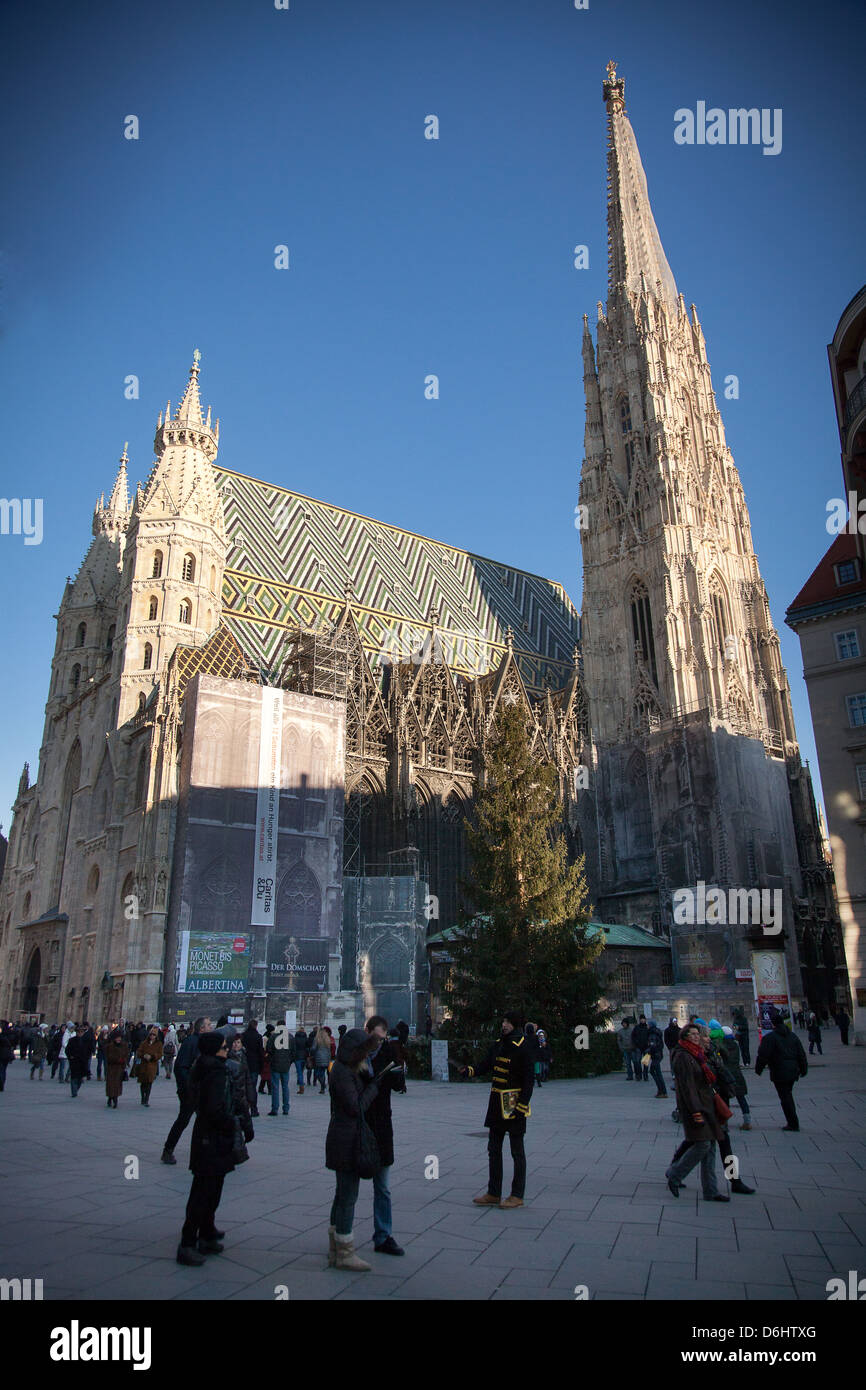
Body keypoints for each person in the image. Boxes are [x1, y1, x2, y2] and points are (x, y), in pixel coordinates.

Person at [177, 1032, 248, 1266]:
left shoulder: (205, 1068)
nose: (227, 1050)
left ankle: (206, 1232)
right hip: (212, 1138)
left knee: (212, 1187)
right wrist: (232, 1124)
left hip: (209, 1137)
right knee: (203, 1191)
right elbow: (214, 1108)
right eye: (224, 1047)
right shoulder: (215, 1071)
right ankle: (188, 1243)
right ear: (215, 1050)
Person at [325, 1027, 386, 1271]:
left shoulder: (345, 1069)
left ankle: (336, 1248)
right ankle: (345, 1252)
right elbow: (355, 1106)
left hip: (345, 1135)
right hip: (347, 1138)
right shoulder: (343, 1072)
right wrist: (375, 1087)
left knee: (342, 1194)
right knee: (348, 1196)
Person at [462, 1011, 534, 1210]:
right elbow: (486, 1064)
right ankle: (493, 1193)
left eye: (507, 1022)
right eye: (503, 1021)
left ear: (516, 1025)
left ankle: (517, 1194)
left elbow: (529, 1082)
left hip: (513, 1104)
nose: (503, 1025)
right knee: (493, 1150)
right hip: (496, 1103)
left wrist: (522, 1105)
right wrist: (471, 1070)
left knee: (516, 1151)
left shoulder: (523, 1046)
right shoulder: (499, 1043)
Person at [665, 1023, 728, 1201]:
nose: (696, 1037)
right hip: (696, 1107)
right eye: (691, 1034)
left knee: (711, 1147)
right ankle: (675, 1175)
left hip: (707, 1105)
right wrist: (695, 1110)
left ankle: (711, 1190)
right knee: (703, 1145)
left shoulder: (698, 1054)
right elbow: (687, 1087)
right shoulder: (683, 1056)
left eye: (697, 1034)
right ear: (684, 1037)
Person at [363, 1015, 406, 1256]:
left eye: (382, 1039)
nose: (378, 1043)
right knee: (348, 1188)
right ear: (366, 1031)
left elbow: (399, 1084)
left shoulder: (388, 1052)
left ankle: (383, 1235)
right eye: (375, 1038)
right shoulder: (355, 1054)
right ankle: (340, 1234)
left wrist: (394, 1070)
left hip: (381, 1125)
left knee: (383, 1187)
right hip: (359, 1126)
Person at [162, 1016, 212, 1163]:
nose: (211, 1027)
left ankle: (205, 1150)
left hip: (202, 1090)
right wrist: (187, 1088)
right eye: (209, 1025)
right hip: (191, 1091)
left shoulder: (205, 1043)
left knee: (205, 1121)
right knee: (183, 1120)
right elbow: (180, 1067)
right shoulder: (191, 1042)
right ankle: (168, 1150)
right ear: (201, 1028)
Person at [755, 1013, 808, 1131]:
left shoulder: (770, 1038)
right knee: (787, 1094)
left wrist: (758, 1069)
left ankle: (793, 1123)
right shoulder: (793, 1036)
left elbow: (763, 1055)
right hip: (793, 1071)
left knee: (785, 1097)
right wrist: (804, 1068)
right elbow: (801, 1054)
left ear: (773, 1023)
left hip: (779, 1071)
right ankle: (792, 1121)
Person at [719, 1026, 751, 1129]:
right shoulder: (735, 1045)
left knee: (725, 1099)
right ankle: (747, 1121)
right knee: (741, 1098)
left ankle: (724, 1122)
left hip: (727, 1075)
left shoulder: (721, 1046)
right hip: (737, 1074)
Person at [266, 1023, 295, 1115]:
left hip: (275, 1064)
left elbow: (268, 1049)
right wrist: (289, 1061)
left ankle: (275, 1108)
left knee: (275, 1087)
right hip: (286, 1065)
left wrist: (272, 1059)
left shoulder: (273, 1036)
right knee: (285, 1087)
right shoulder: (290, 1037)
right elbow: (293, 1052)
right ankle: (286, 1108)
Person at [134, 1026, 163, 1106]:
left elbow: (160, 1054)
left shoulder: (159, 1044)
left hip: (152, 1066)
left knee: (149, 1083)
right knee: (143, 1083)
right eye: (151, 1035)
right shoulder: (144, 1043)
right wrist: (143, 1055)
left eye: (154, 1035)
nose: (152, 1037)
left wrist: (153, 1056)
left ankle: (146, 1099)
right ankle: (142, 1097)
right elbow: (139, 1052)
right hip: (143, 1065)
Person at [241, 1019, 264, 1115]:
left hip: (245, 1064)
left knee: (244, 1087)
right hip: (255, 1064)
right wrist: (261, 1066)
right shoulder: (258, 1037)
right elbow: (260, 1052)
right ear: (256, 1026)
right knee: (253, 1087)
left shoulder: (244, 1035)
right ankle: (254, 1109)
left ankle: (244, 1108)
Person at [104, 1027, 129, 1108]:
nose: (118, 1039)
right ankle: (110, 1098)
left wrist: (124, 1061)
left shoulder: (124, 1046)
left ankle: (115, 1099)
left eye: (120, 1038)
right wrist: (118, 1059)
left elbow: (126, 1055)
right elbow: (109, 1057)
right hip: (112, 1068)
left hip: (119, 1069)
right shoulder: (110, 1046)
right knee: (111, 1084)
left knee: (117, 1085)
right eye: (117, 1038)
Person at [66, 1024, 91, 1098]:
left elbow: (89, 1050)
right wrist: (70, 1057)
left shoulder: (86, 1041)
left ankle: (76, 1089)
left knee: (80, 1078)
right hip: (74, 1061)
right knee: (74, 1077)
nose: (80, 1033)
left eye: (81, 1032)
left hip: (82, 1062)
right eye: (78, 1032)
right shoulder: (72, 1040)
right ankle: (74, 1092)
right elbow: (67, 1050)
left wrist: (87, 1057)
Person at [646, 1020, 668, 1097]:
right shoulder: (657, 1032)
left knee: (656, 1072)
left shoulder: (652, 1034)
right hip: (658, 1055)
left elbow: (653, 1045)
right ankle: (661, 1090)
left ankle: (662, 1091)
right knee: (655, 1072)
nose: (647, 1026)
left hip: (655, 1055)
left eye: (648, 1024)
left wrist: (648, 1050)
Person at [311, 1027, 332, 1094]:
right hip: (326, 1058)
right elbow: (329, 1050)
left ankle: (323, 1085)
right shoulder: (327, 1039)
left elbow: (313, 1049)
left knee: (318, 1073)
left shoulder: (317, 1039)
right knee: (322, 1073)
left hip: (319, 1058)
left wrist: (311, 1051)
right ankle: (322, 1087)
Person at [631, 1015, 650, 1081]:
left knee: (645, 1062)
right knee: (637, 1062)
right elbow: (633, 1036)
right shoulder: (637, 1027)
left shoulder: (647, 1027)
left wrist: (649, 1044)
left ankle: (645, 1075)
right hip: (638, 1047)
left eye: (643, 1019)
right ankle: (639, 1075)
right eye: (641, 1019)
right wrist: (635, 1044)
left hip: (646, 1047)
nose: (642, 1020)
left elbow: (650, 1036)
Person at [259, 1026, 273, 1098]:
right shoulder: (265, 1038)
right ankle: (270, 1089)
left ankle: (261, 1088)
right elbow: (264, 1048)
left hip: (266, 1057)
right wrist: (266, 1054)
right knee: (267, 1074)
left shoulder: (266, 1036)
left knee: (265, 1074)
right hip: (266, 1057)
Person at [293, 1026, 308, 1093]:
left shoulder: (295, 1039)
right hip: (304, 1056)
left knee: (299, 1071)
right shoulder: (306, 1038)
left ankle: (301, 1085)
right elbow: (308, 1048)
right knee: (301, 1071)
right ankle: (300, 1081)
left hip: (297, 1056)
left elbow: (294, 1048)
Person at [0, 1023, 15, 1091]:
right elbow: (9, 1046)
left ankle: (1, 1084)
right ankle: (2, 1084)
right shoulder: (6, 1038)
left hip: (2, 1055)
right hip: (5, 1055)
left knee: (1, 1070)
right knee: (3, 1070)